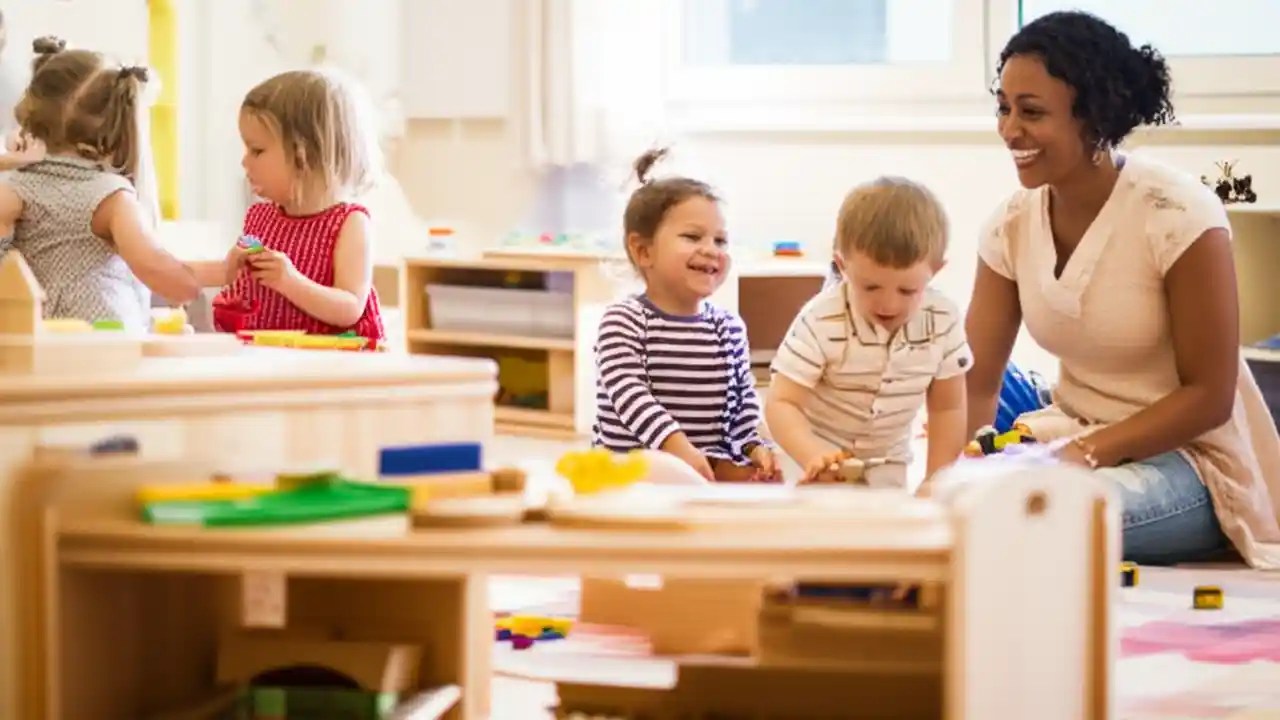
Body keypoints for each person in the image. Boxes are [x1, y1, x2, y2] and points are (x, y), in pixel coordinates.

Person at [966, 10, 1280, 567]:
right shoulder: (1010, 224)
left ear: (1095, 118)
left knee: (1026, 523)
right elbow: (974, 380)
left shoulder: (1177, 214)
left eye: (1032, 112)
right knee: (973, 506)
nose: (1010, 129)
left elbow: (1209, 395)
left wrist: (1081, 454)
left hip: (1192, 462)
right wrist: (943, 484)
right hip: (1074, 441)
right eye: (1004, 107)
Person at [766, 176, 971, 491]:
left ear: (935, 271)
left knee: (887, 535)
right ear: (842, 266)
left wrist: (936, 480)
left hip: (888, 462)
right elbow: (781, 402)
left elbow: (948, 407)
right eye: (871, 286)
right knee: (815, 535)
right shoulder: (820, 319)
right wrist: (812, 453)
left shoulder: (943, 319)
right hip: (814, 458)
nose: (888, 304)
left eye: (907, 290)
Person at [592, 148, 778, 482]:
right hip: (636, 467)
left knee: (762, 479)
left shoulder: (728, 328)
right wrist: (676, 446)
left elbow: (743, 402)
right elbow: (630, 394)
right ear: (643, 251)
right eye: (693, 237)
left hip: (701, 465)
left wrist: (756, 444)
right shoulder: (625, 320)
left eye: (721, 241)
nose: (711, 249)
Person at [0, 36, 200, 330]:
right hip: (102, 341)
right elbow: (153, 265)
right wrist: (189, 286)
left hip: (31, 345)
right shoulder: (112, 197)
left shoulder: (15, 188)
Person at [212, 68, 385, 340]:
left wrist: (290, 282)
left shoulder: (349, 223)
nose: (245, 162)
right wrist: (234, 264)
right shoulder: (257, 217)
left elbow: (351, 307)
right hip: (269, 358)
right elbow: (241, 274)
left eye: (257, 150)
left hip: (331, 366)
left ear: (304, 155)